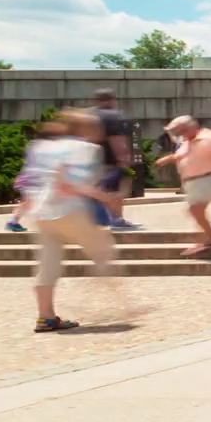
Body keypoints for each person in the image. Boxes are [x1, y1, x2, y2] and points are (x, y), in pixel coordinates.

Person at [19, 110, 141, 332]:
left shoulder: (39, 147)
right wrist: (106, 198)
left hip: (42, 212)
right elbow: (74, 182)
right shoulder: (87, 149)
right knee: (104, 253)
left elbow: (30, 181)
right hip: (72, 211)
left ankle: (45, 317)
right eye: (96, 129)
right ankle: (123, 303)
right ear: (87, 130)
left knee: (47, 264)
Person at [154, 116, 211, 257]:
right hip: (196, 180)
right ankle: (206, 239)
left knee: (195, 210)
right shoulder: (188, 141)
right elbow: (181, 154)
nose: (180, 135)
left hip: (210, 177)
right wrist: (167, 159)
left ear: (189, 128)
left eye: (182, 131)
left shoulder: (208, 138)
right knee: (197, 212)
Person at [90, 89, 139, 230]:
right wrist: (122, 158)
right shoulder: (113, 115)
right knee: (116, 189)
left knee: (96, 188)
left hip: (89, 159)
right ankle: (116, 218)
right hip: (109, 160)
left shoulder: (89, 115)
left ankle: (96, 217)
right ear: (111, 100)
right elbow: (116, 138)